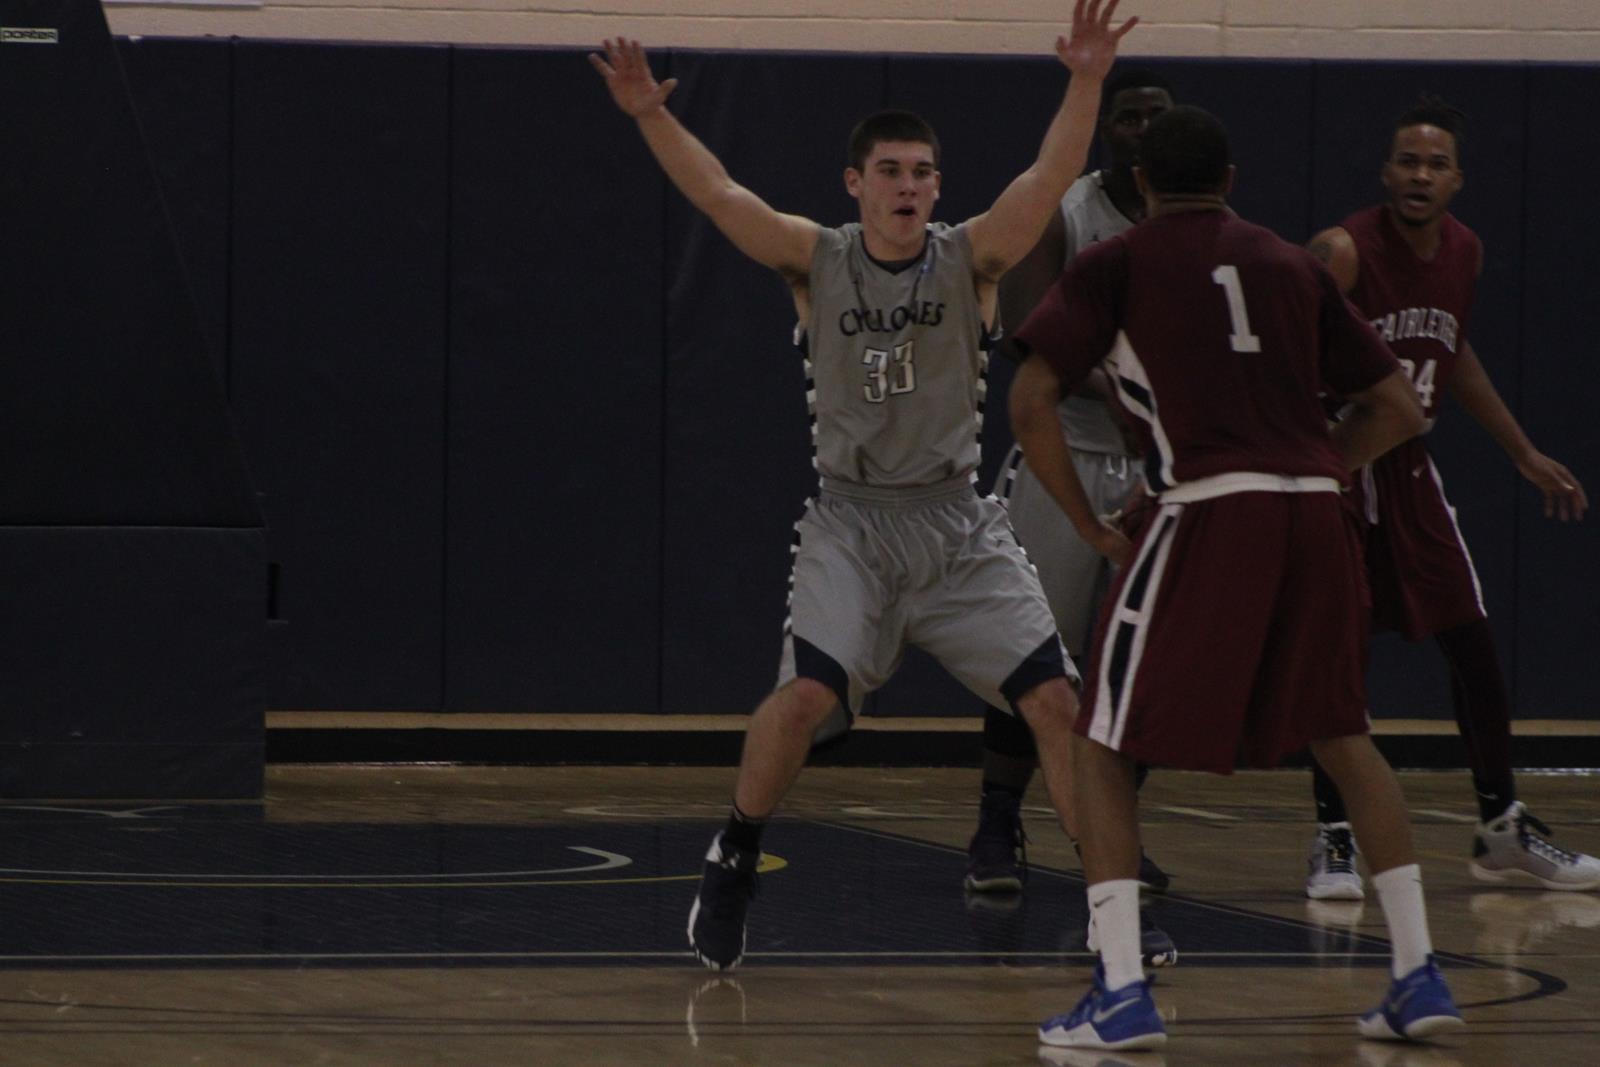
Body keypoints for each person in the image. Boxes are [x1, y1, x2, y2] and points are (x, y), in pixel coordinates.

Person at [588, 0, 1138, 973]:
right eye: (890, 170)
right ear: (855, 183)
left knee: (1057, 703)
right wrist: (648, 114)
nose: (909, 185)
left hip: (958, 521)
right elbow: (718, 195)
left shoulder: (972, 257)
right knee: (803, 698)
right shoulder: (817, 257)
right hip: (852, 521)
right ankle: (735, 851)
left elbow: (1049, 175)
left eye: (922, 172)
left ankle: (1114, 919)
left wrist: (1085, 80)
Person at [1011, 106, 1462, 1050]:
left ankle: (1124, 988)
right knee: (1344, 733)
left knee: (1099, 737)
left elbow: (1029, 397)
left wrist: (1090, 520)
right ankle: (1419, 974)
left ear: (1139, 185)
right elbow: (1398, 406)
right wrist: (1324, 464)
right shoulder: (1293, 262)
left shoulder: (1120, 261)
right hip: (1316, 508)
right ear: (1232, 175)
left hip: (1210, 508)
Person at [1301, 95, 1597, 902]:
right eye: (1407, 160)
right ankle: (1332, 836)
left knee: (1470, 643)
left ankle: (1501, 824)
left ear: (1458, 179)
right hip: (1338, 463)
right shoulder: (1343, 250)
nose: (1419, 174)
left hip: (1407, 467)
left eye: (1435, 163)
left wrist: (1523, 450)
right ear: (1385, 171)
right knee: (1340, 653)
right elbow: (1283, 341)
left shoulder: (1463, 251)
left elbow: (1450, 351)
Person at [965, 68, 1175, 904]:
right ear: (1107, 130)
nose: (1142, 129)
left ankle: (1114, 832)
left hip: (1158, 466)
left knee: (1143, 665)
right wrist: (1123, 396)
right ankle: (995, 823)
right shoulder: (1069, 211)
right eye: (1128, 116)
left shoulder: (1190, 219)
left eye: (1157, 117)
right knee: (1035, 655)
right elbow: (1027, 332)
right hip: (1066, 457)